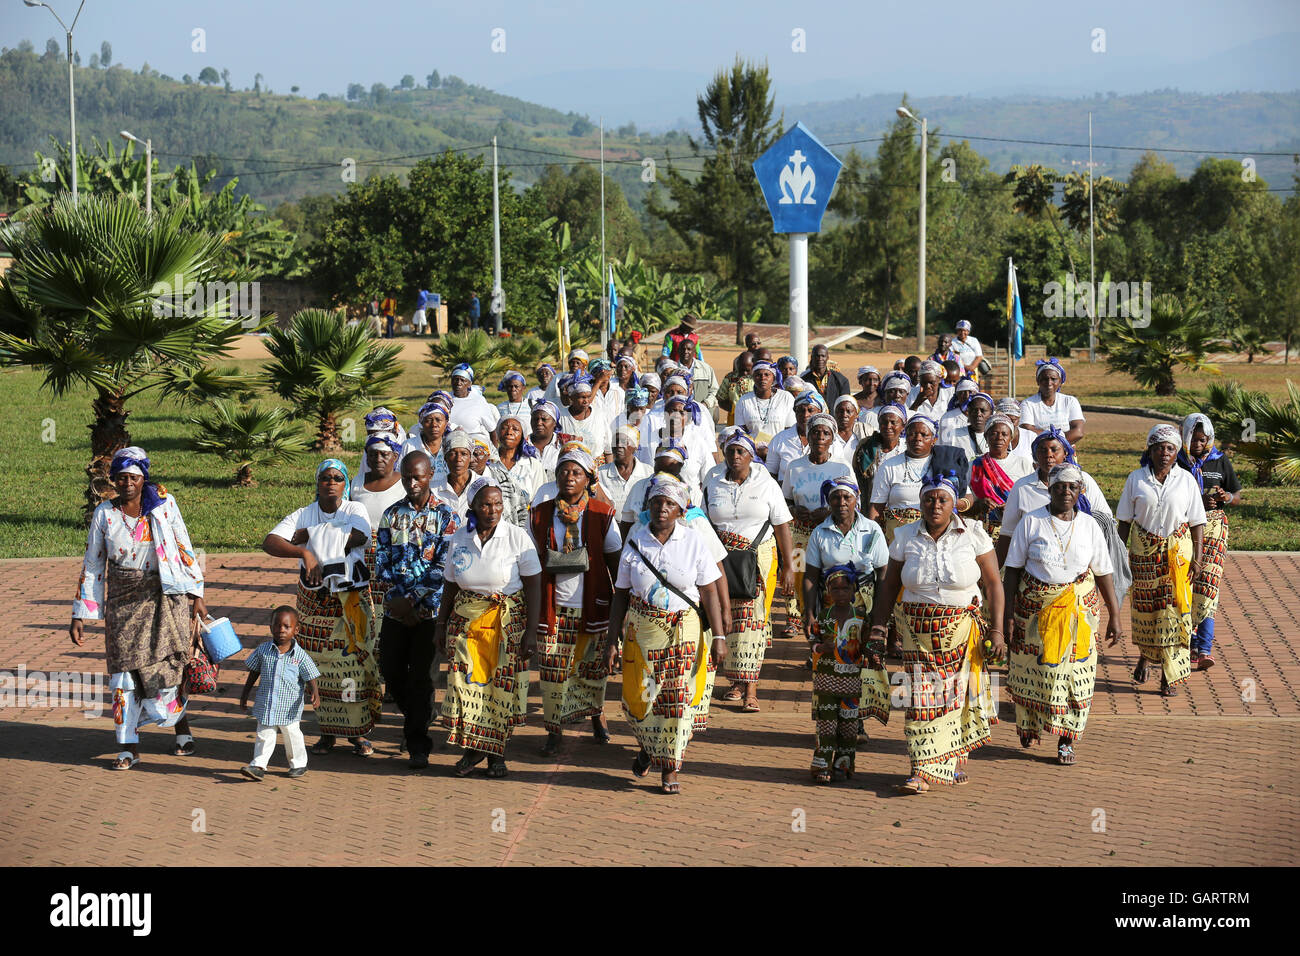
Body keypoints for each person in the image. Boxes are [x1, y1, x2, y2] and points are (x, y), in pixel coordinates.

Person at [71, 447, 205, 770]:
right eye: (121, 478)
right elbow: (93, 564)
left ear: (143, 477)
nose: (127, 483)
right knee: (122, 678)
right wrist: (80, 613)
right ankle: (128, 746)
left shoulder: (163, 506)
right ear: (114, 480)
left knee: (164, 671)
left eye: (133, 477)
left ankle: (180, 726)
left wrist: (196, 591)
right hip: (122, 604)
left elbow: (184, 546)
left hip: (163, 598)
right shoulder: (105, 514)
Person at [872, 471, 1004, 792]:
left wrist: (998, 629)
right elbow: (889, 587)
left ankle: (955, 755)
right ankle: (920, 768)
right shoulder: (904, 536)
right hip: (917, 632)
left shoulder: (972, 533)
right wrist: (878, 627)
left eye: (942, 499)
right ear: (920, 502)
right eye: (929, 499)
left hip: (962, 630)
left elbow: (992, 583)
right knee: (921, 697)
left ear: (953, 504)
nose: (935, 504)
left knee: (958, 696)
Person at [605, 474, 727, 795]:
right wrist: (610, 641)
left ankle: (670, 767)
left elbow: (709, 590)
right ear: (648, 506)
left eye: (669, 503)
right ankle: (649, 747)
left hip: (683, 629)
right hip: (642, 630)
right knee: (641, 700)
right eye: (657, 502)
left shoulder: (693, 541)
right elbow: (620, 593)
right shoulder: (635, 538)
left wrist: (719, 636)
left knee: (675, 699)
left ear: (680, 510)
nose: (662, 508)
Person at [1002, 464, 1123, 766]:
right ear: (1050, 489)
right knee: (1036, 672)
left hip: (1079, 612)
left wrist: (1115, 615)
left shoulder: (1089, 526)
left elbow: (1104, 571)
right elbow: (1013, 571)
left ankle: (1066, 740)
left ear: (1080, 491)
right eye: (1060, 486)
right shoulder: (1031, 522)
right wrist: (1007, 615)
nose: (1066, 492)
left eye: (1072, 487)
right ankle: (1030, 723)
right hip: (1035, 610)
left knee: (1076, 678)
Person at [264, 459, 380, 757]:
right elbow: (271, 541)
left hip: (349, 602)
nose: (331, 483)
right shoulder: (304, 513)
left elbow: (361, 536)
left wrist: (313, 535)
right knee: (319, 668)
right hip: (314, 604)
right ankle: (327, 733)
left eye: (337, 478)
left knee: (354, 665)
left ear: (345, 484)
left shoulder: (354, 509)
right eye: (326, 478)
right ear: (317, 482)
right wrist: (303, 550)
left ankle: (358, 733)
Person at [437, 477, 542, 777]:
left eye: (498, 503)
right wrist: (440, 624)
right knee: (467, 686)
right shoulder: (459, 537)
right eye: (485, 504)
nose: (493, 509)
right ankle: (473, 749)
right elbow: (449, 584)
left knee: (499, 691)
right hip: (466, 624)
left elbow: (534, 586)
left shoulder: (517, 537)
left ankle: (496, 755)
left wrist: (531, 632)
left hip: (506, 623)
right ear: (472, 506)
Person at [530, 446, 621, 755]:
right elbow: (530, 564)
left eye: (577, 473)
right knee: (553, 673)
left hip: (591, 602)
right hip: (553, 605)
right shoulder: (540, 514)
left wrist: (620, 608)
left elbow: (615, 562)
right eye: (564, 471)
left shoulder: (601, 513)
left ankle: (596, 715)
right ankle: (554, 730)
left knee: (592, 669)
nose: (569, 477)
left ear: (588, 479)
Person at [373, 452, 459, 768]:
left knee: (422, 677)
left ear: (430, 475)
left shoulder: (448, 517)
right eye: (407, 476)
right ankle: (418, 718)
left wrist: (414, 601)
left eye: (418, 477)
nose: (412, 483)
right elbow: (381, 560)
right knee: (391, 670)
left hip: (429, 614)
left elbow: (445, 567)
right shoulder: (390, 514)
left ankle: (418, 744)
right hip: (395, 611)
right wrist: (399, 600)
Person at [704, 430, 796, 711]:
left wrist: (790, 566)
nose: (734, 457)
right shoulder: (712, 478)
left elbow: (782, 526)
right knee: (725, 617)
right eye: (730, 451)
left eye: (741, 452)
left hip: (758, 559)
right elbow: (703, 519)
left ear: (751, 455)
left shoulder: (765, 483)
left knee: (753, 621)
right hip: (721, 559)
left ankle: (751, 689)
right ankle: (735, 681)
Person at [1118, 424, 1208, 697]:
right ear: (1150, 450)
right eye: (1159, 448)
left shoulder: (1187, 481)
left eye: (1170, 448)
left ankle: (1170, 676)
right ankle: (1146, 656)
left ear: (1177, 451)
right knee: (1148, 613)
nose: (1165, 453)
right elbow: (1124, 522)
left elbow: (1197, 522)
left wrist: (1198, 557)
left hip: (1177, 559)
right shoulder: (1136, 479)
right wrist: (1119, 556)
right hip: (1143, 557)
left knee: (1174, 614)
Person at [803, 478, 890, 745]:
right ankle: (828, 722)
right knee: (831, 663)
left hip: (864, 606)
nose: (841, 503)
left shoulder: (871, 530)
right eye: (835, 498)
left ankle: (856, 723)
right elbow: (810, 576)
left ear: (856, 501)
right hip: (831, 608)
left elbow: (883, 574)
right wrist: (809, 613)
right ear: (828, 502)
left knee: (860, 663)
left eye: (846, 498)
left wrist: (880, 618)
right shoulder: (820, 532)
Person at [1177, 413, 1243, 670]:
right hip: (1183, 529)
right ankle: (1190, 641)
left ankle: (1204, 649)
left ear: (1209, 439)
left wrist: (1227, 497)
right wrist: (1197, 503)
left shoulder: (1219, 460)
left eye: (1202, 439)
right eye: (1193, 437)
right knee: (1184, 584)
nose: (1197, 443)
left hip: (1214, 530)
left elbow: (1236, 494)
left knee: (1207, 586)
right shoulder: (1177, 461)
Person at [808, 565, 883, 783]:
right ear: (828, 592)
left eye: (845, 589)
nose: (840, 593)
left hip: (852, 683)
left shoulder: (861, 618)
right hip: (826, 683)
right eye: (835, 589)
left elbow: (868, 642)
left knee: (849, 728)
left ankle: (843, 765)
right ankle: (821, 764)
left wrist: (873, 655)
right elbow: (813, 642)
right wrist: (821, 649)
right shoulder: (823, 617)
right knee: (826, 726)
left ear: (854, 591)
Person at [997, 428, 1113, 567]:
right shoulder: (1023, 487)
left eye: (1054, 450)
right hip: (1035, 570)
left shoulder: (1083, 481)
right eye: (1042, 450)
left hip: (1080, 566)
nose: (1048, 455)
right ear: (1035, 455)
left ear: (1065, 453)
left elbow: (1105, 520)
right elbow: (1007, 533)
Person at [782, 414, 854, 638]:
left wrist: (830, 511)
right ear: (808, 435)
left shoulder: (841, 467)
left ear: (832, 438)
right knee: (802, 585)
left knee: (830, 586)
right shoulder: (795, 467)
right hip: (800, 534)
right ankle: (806, 631)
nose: (820, 437)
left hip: (831, 534)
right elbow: (785, 501)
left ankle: (832, 639)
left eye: (825, 433)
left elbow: (855, 501)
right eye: (815, 432)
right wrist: (794, 510)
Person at [239, 606, 322, 780]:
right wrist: (245, 694)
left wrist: (315, 692)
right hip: (266, 705)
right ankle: (258, 766)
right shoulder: (263, 650)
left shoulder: (300, 656)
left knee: (292, 735)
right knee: (264, 735)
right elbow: (254, 672)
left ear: (296, 630)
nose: (281, 630)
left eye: (286, 626)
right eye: (277, 625)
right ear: (270, 627)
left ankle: (298, 764)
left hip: (288, 708)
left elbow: (311, 676)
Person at [351, 429, 407, 610]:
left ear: (395, 456)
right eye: (373, 454)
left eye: (384, 454)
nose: (378, 459)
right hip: (361, 556)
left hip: (394, 555)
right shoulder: (356, 483)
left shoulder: (404, 483)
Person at [968, 413, 1036, 542]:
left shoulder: (1022, 463)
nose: (999, 438)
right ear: (986, 436)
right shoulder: (974, 465)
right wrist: (979, 504)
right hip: (981, 530)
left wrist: (1012, 507)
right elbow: (964, 498)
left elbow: (1032, 497)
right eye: (993, 433)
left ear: (1011, 438)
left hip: (1015, 529)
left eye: (1004, 434)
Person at [736, 360, 795, 460]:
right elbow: (740, 432)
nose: (763, 378)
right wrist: (755, 449)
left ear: (773, 378)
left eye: (767, 374)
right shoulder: (744, 401)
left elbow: (790, 430)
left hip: (779, 453)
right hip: (752, 454)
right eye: (758, 375)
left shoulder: (785, 398)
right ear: (753, 378)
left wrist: (771, 450)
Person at [1020, 357, 1085, 445]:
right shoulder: (1027, 404)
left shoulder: (1070, 401)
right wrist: (1054, 444)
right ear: (1038, 381)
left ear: (1060, 381)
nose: (1049, 382)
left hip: (1066, 455)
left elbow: (1078, 432)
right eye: (1044, 379)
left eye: (1053, 379)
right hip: (1038, 454)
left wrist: (1055, 446)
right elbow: (1027, 430)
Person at [852, 402, 906, 506]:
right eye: (884, 422)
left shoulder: (907, 449)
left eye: (893, 422)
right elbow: (858, 481)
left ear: (903, 426)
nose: (888, 426)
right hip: (871, 506)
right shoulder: (865, 449)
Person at [599, 425, 654, 519]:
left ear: (635, 446)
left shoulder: (648, 472)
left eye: (624, 441)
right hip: (609, 527)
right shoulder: (601, 473)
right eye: (616, 441)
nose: (619, 445)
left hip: (638, 528)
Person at [558, 373, 611, 464]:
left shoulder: (599, 415)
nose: (586, 401)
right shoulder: (561, 417)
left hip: (598, 466)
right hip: (570, 465)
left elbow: (608, 450)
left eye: (588, 397)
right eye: (582, 397)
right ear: (571, 397)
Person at [496, 413, 545, 502]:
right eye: (504, 428)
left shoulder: (533, 465)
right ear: (497, 433)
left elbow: (540, 500)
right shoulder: (489, 462)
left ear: (522, 437)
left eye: (515, 429)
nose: (509, 432)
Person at [402, 401, 451, 484]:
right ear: (421, 423)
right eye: (429, 420)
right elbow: (400, 473)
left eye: (438, 420)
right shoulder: (409, 446)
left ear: (446, 423)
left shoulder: (451, 445)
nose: (434, 424)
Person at [432, 431, 476, 521]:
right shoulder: (433, 490)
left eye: (464, 454)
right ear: (445, 457)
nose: (458, 459)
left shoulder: (483, 487)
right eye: (452, 453)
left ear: (470, 457)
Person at [448, 364, 500, 441]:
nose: (458, 383)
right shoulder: (445, 398)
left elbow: (492, 430)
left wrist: (494, 451)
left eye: (463, 380)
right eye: (455, 379)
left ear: (469, 384)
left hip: (475, 446)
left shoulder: (479, 401)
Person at [802, 344, 852, 408]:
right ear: (812, 357)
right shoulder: (804, 380)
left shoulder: (841, 380)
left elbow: (845, 404)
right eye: (817, 356)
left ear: (827, 358)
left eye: (823, 356)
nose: (820, 359)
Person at [718, 351, 755, 425]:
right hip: (733, 420)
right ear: (738, 366)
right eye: (742, 370)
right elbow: (721, 399)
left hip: (754, 420)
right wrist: (733, 409)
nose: (744, 373)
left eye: (748, 370)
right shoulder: (730, 378)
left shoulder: (757, 379)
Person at [530, 400, 563, 480]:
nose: (539, 423)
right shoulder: (522, 445)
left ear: (555, 422)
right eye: (535, 419)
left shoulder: (563, 445)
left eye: (544, 419)